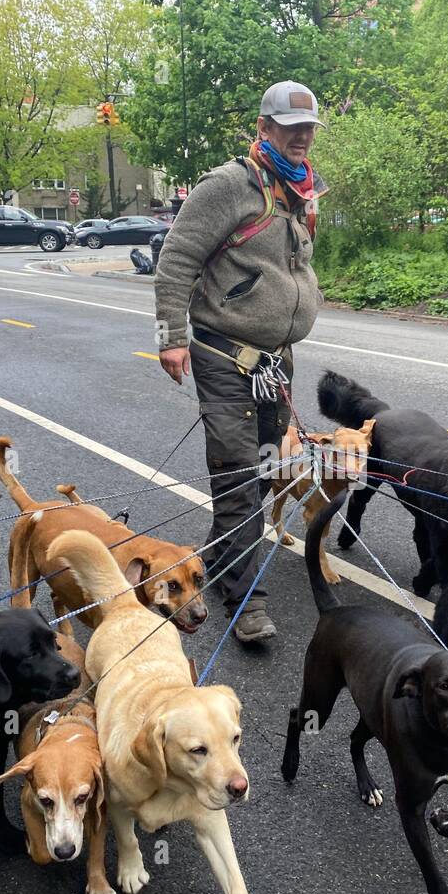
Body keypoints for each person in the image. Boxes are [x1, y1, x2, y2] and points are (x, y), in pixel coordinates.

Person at [154, 80, 327, 642]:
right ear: (264, 128)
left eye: (308, 128)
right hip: (221, 356)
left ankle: (209, 563)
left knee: (261, 473)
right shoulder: (227, 186)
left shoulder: (298, 189)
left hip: (275, 363)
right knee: (239, 484)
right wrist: (169, 337)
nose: (301, 136)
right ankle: (246, 601)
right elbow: (174, 261)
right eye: (289, 126)